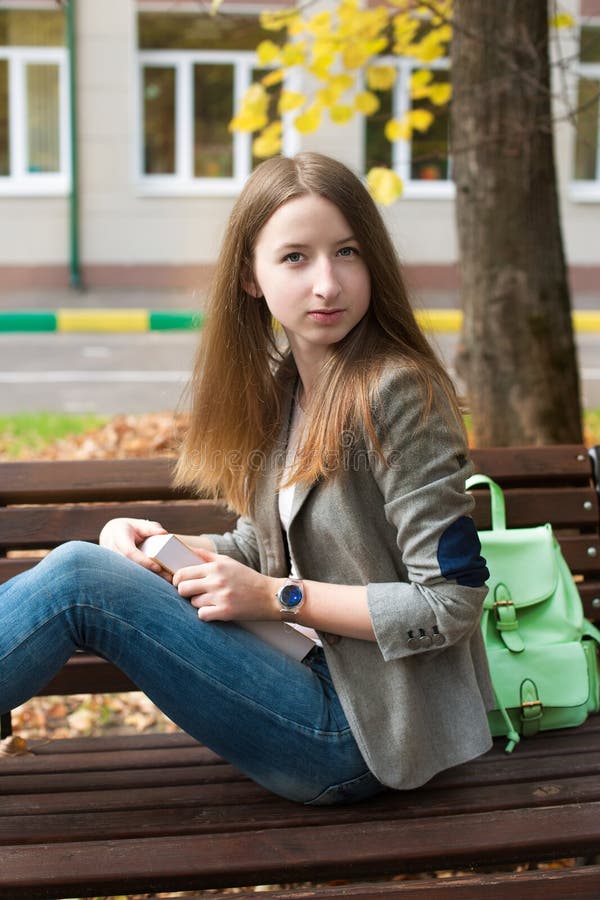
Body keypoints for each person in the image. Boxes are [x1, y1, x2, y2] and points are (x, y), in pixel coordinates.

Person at [0, 152, 493, 805]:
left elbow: (452, 603)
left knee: (75, 582)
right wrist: (159, 550)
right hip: (305, 678)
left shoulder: (399, 393)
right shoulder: (286, 389)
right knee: (91, 568)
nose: (328, 283)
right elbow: (265, 550)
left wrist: (276, 597)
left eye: (347, 252)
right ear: (251, 277)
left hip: (364, 734)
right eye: (295, 257)